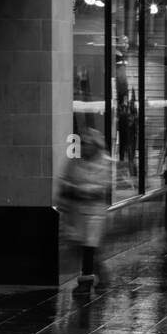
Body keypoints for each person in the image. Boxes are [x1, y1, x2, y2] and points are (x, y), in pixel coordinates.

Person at [54, 127, 111, 296]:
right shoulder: (73, 162)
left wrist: (79, 189)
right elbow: (63, 182)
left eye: (87, 144)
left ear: (95, 145)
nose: (84, 147)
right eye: (83, 144)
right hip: (75, 213)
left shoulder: (104, 163)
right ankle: (103, 276)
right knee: (81, 248)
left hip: (93, 214)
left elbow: (99, 188)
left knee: (88, 249)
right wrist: (71, 194)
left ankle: (86, 282)